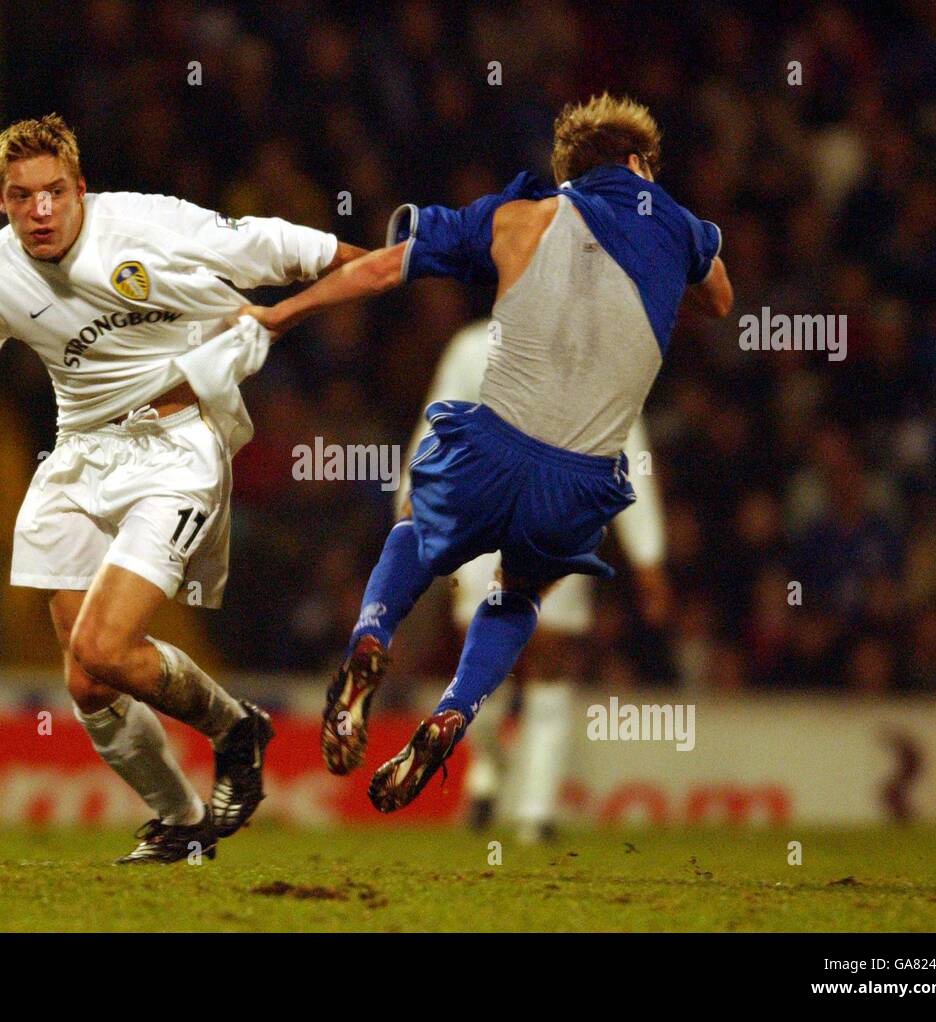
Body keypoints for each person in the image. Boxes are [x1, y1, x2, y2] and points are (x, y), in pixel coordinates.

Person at [0, 114, 365, 859]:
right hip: (80, 457)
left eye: (54, 193)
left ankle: (237, 728)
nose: (40, 211)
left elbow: (260, 244)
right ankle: (180, 824)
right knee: (87, 683)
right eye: (21, 197)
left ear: (81, 189)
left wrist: (377, 264)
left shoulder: (144, 222)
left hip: (174, 448)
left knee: (106, 644)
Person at [243, 93, 731, 812]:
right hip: (580, 478)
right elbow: (719, 301)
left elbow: (381, 269)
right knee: (520, 596)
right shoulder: (681, 230)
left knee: (417, 527)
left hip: (495, 445)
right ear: (637, 163)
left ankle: (372, 636)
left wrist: (280, 313)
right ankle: (453, 713)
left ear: (567, 173)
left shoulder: (517, 219)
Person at [397, 320, 671, 841]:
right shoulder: (475, 347)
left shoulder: (606, 360)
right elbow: (437, 424)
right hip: (480, 520)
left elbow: (630, 456)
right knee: (487, 661)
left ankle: (535, 812)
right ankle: (485, 774)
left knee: (546, 659)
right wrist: (414, 501)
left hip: (563, 520)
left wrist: (649, 556)